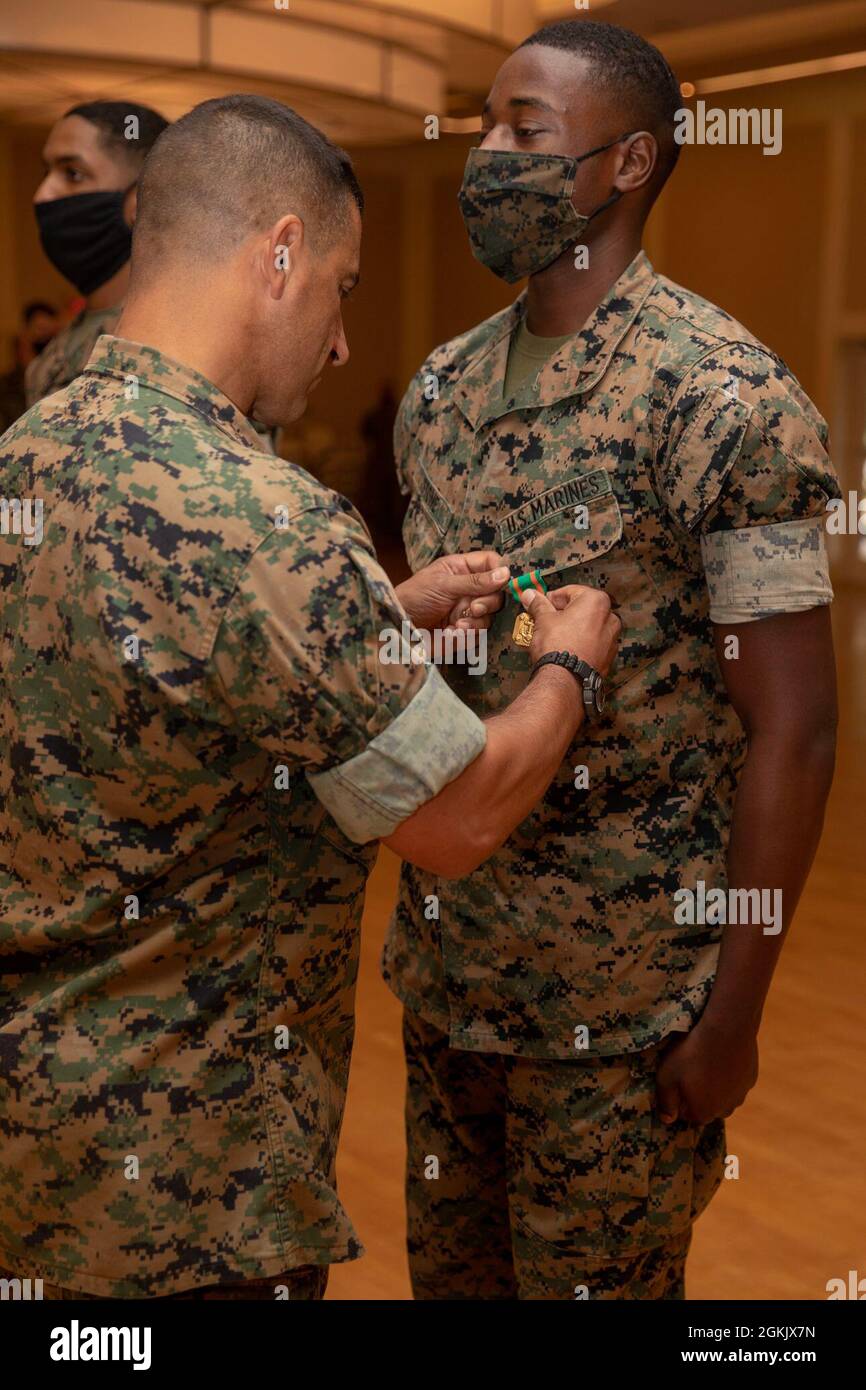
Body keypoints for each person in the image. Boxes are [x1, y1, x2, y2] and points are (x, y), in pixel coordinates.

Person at [0, 93, 619, 1300]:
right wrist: (571, 665)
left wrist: (373, 613)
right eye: (339, 285)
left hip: (34, 1171)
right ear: (277, 252)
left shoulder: (29, 450)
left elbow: (147, 672)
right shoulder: (264, 518)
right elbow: (454, 817)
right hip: (193, 1203)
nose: (341, 341)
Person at [383, 18, 840, 1300]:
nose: (485, 154)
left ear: (627, 162)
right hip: (450, 969)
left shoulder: (720, 397)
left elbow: (791, 726)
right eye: (482, 128)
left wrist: (733, 1012)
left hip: (626, 1006)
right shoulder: (437, 390)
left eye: (523, 132)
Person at [25, 100, 167, 407]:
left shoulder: (174, 345)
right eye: (46, 171)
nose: (42, 195)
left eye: (72, 173)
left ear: (139, 204)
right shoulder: (66, 341)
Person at [0, 301, 59, 431]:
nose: (44, 339)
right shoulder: (7, 385)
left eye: (49, 334)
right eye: (39, 329)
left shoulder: (63, 376)